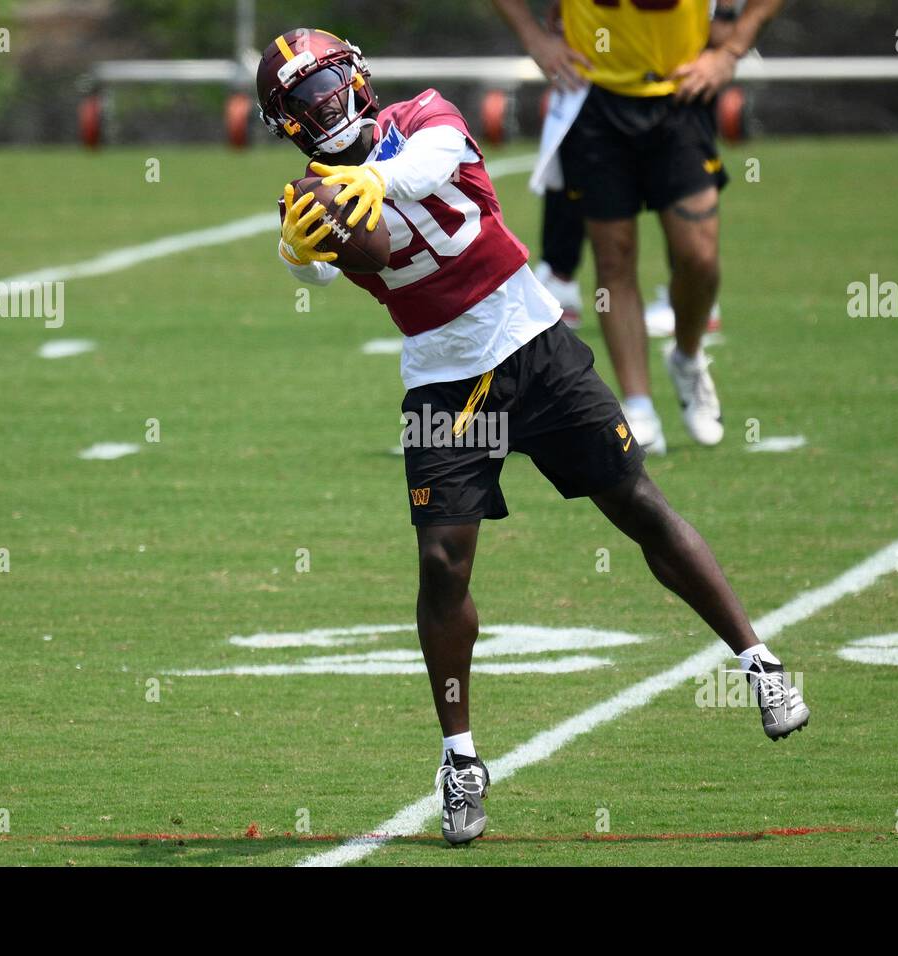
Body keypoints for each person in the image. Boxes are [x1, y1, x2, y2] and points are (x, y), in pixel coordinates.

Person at [258, 27, 807, 846]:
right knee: (442, 564)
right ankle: (460, 758)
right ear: (287, 122)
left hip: (533, 345)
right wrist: (295, 251)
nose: (325, 105)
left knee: (637, 506)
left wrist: (364, 180)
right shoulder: (312, 190)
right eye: (303, 101)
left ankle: (757, 661)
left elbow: (431, 165)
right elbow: (319, 266)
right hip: (442, 380)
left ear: (359, 77)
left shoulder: (423, 117)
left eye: (329, 85)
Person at [495, 0, 783, 453]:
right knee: (614, 258)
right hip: (594, 98)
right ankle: (638, 404)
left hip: (681, 94)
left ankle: (687, 357)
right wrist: (534, 37)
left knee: (699, 257)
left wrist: (729, 52)